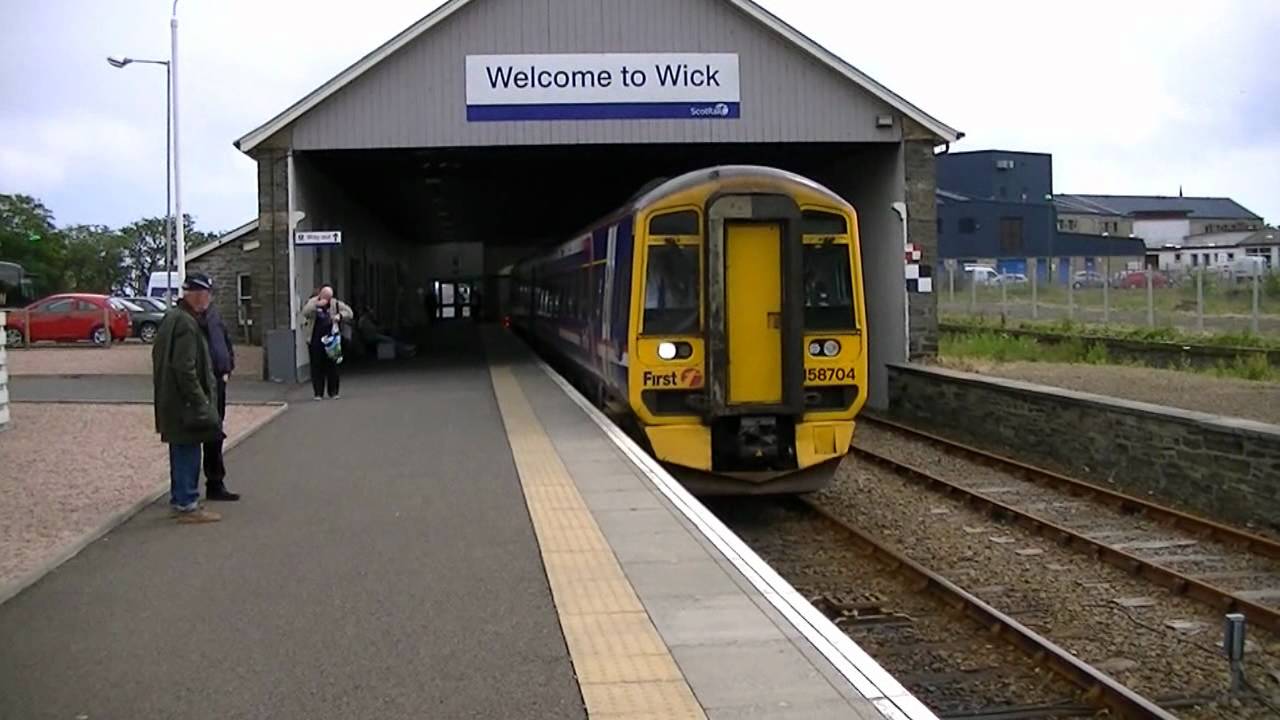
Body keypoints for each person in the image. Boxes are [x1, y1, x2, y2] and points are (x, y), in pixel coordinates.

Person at [152, 273, 223, 524]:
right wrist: (201, 401)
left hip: (173, 400)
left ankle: (181, 499)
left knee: (181, 450)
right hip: (184, 404)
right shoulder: (186, 324)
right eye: (206, 294)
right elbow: (185, 368)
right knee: (188, 451)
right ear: (197, 294)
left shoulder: (172, 318)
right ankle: (187, 504)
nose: (208, 300)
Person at [198, 298, 240, 501]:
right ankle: (193, 488)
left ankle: (215, 483)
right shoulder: (192, 319)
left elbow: (225, 341)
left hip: (218, 381)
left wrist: (228, 366)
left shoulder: (215, 315)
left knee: (215, 432)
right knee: (205, 432)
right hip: (205, 382)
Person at [302, 286, 353, 400]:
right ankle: (318, 393)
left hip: (332, 339)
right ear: (320, 295)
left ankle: (333, 392)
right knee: (316, 366)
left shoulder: (335, 304)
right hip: (315, 339)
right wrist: (316, 305)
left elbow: (349, 312)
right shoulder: (313, 302)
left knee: (333, 366)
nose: (326, 300)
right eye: (324, 297)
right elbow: (305, 312)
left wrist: (340, 316)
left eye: (328, 298)